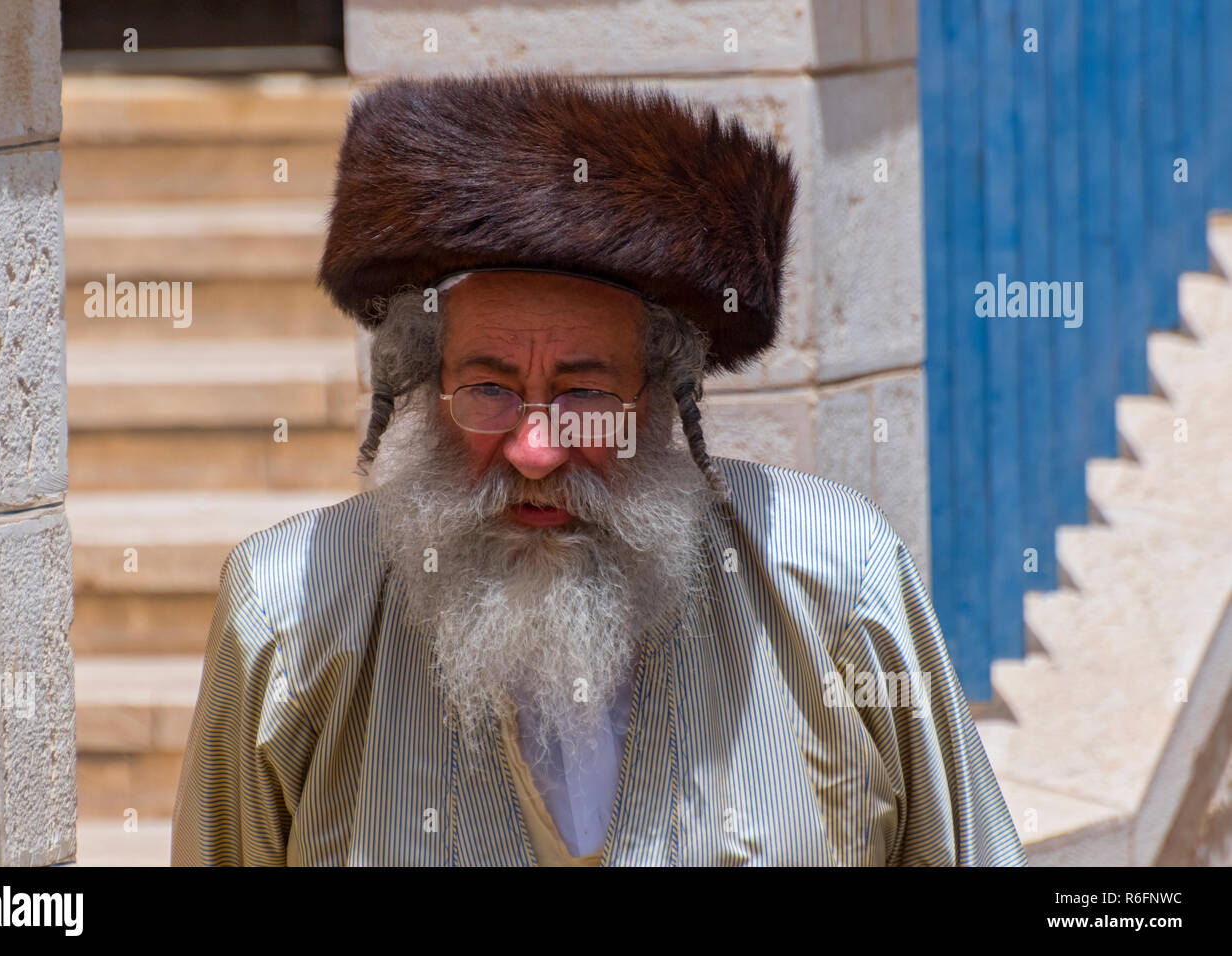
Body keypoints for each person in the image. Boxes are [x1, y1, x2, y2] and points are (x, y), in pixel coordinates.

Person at [171, 70, 1026, 866]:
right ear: (426, 391)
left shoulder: (837, 581)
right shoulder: (287, 616)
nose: (536, 450)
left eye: (584, 391)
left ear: (660, 401)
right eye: (488, 389)